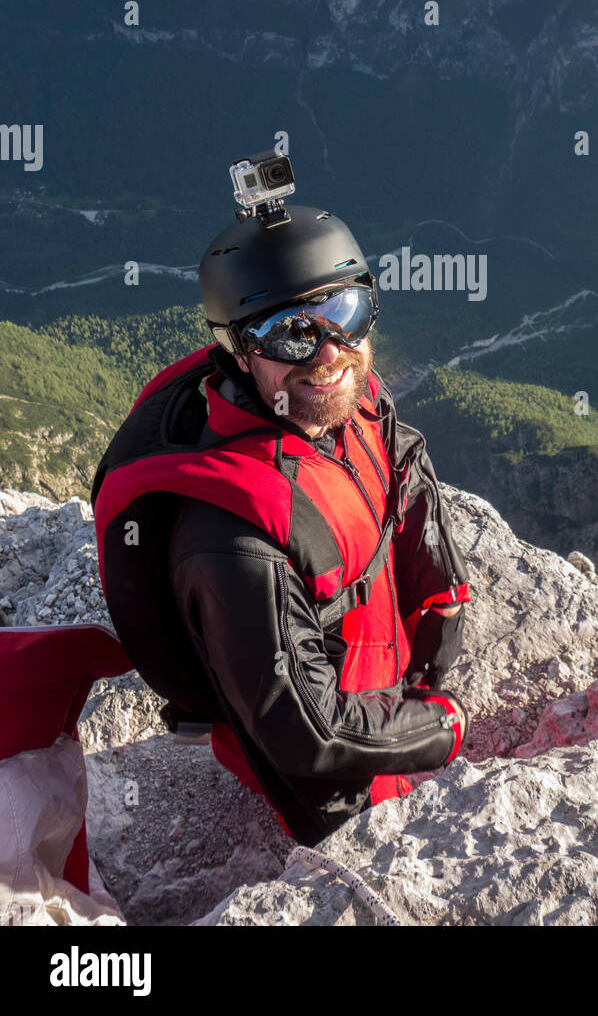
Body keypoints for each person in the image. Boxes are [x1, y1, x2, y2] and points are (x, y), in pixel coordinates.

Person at [93, 202, 470, 845]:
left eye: (343, 312)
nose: (328, 354)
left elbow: (398, 463)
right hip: (334, 797)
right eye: (290, 332)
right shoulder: (230, 541)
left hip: (388, 701)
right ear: (238, 351)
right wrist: (438, 726)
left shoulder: (342, 407)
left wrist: (441, 610)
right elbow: (309, 734)